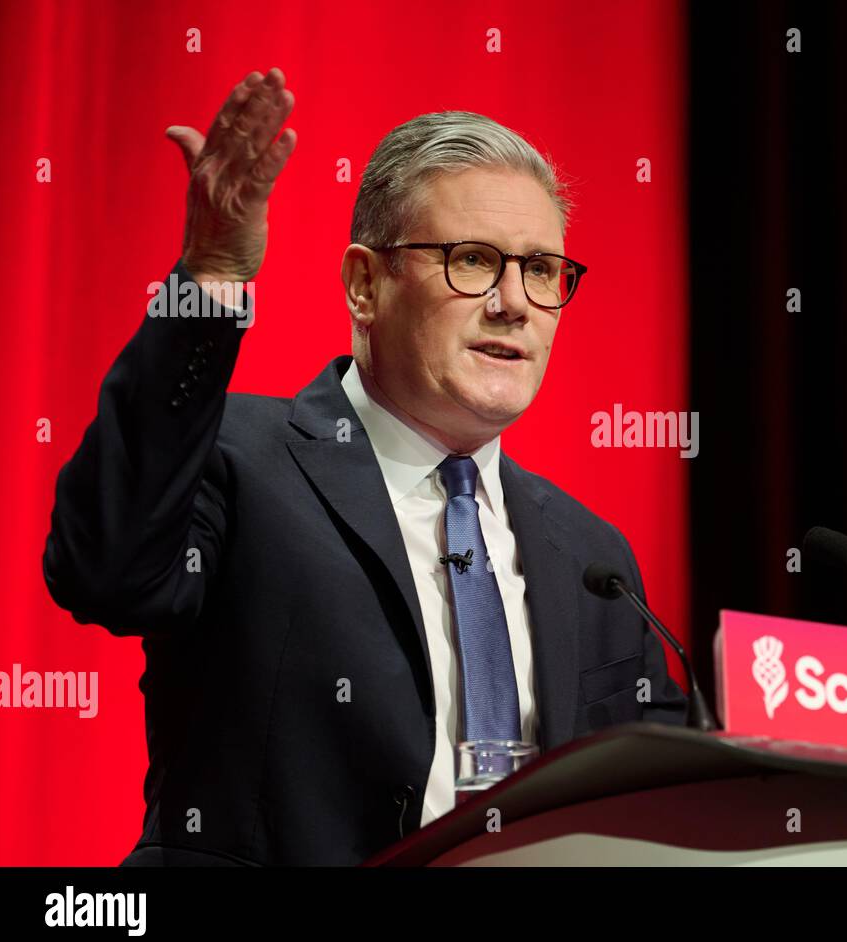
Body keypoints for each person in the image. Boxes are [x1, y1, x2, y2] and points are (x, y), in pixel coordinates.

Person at [42, 67, 688, 866]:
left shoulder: (594, 557)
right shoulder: (237, 459)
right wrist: (210, 278)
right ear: (364, 284)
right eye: (475, 260)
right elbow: (104, 570)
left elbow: (664, 798)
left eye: (543, 270)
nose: (514, 301)